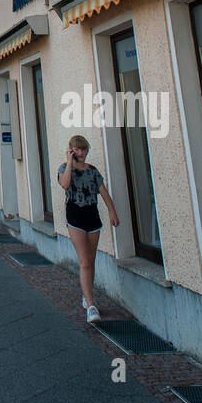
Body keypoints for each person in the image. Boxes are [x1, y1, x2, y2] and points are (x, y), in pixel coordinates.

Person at [57, 135, 119, 323]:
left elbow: (104, 193)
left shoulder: (93, 171)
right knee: (84, 262)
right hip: (75, 216)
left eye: (84, 149)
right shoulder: (64, 168)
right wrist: (69, 162)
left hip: (92, 216)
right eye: (77, 149)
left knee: (90, 261)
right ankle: (91, 306)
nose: (81, 153)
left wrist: (112, 213)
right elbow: (65, 184)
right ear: (71, 150)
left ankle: (87, 295)